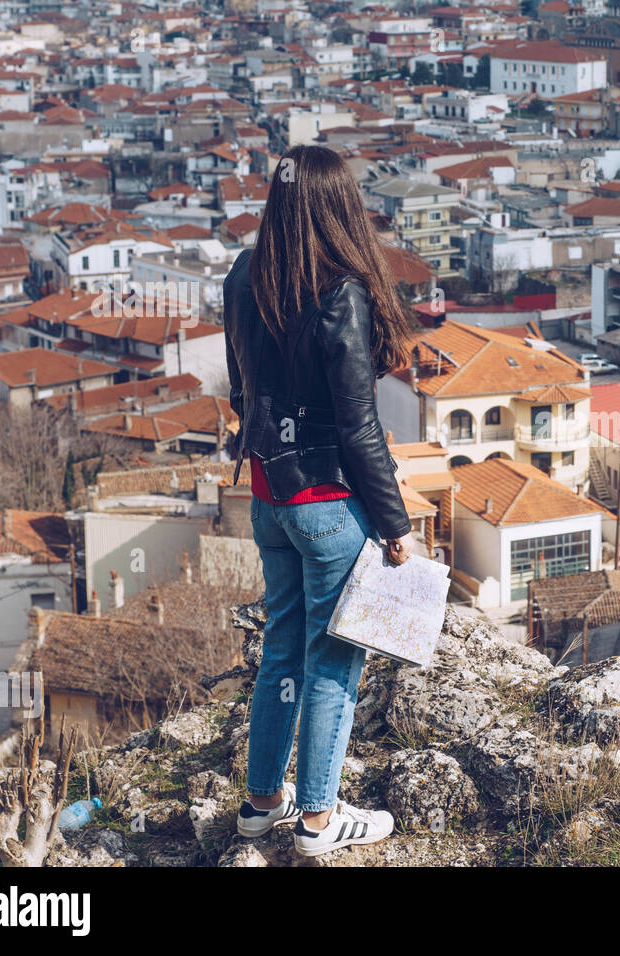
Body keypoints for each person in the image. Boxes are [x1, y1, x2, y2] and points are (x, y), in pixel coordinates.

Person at [223, 144, 420, 857]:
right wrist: (395, 525)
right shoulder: (341, 294)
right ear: (339, 210)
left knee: (280, 652)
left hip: (269, 496)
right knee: (333, 660)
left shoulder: (244, 274)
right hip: (328, 505)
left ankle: (260, 801)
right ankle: (317, 819)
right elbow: (358, 424)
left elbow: (243, 392)